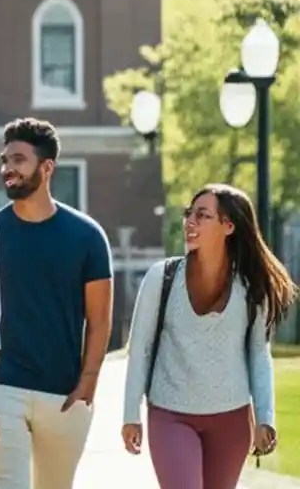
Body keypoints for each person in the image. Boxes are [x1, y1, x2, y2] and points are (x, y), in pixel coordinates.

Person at [121, 184, 296, 489]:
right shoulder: (161, 278)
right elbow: (140, 350)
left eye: (202, 216)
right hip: (171, 415)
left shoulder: (251, 288)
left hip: (231, 420)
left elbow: (258, 352)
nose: (190, 222)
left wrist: (265, 416)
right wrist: (129, 413)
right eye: (190, 213)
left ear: (228, 226)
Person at [0, 118, 113, 489]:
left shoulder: (87, 236)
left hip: (64, 396)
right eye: (5, 160)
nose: (8, 169)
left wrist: (88, 382)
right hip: (2, 389)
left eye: (19, 160)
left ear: (47, 167)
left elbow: (100, 319)